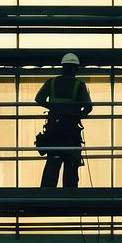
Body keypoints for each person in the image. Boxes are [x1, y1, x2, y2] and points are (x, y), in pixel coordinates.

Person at [35, 53, 93, 188]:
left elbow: (39, 99)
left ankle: (46, 195)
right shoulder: (79, 85)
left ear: (62, 67)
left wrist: (54, 108)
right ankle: (70, 195)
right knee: (71, 166)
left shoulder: (52, 82)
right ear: (75, 69)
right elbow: (88, 107)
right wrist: (77, 115)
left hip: (53, 132)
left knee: (52, 165)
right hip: (71, 133)